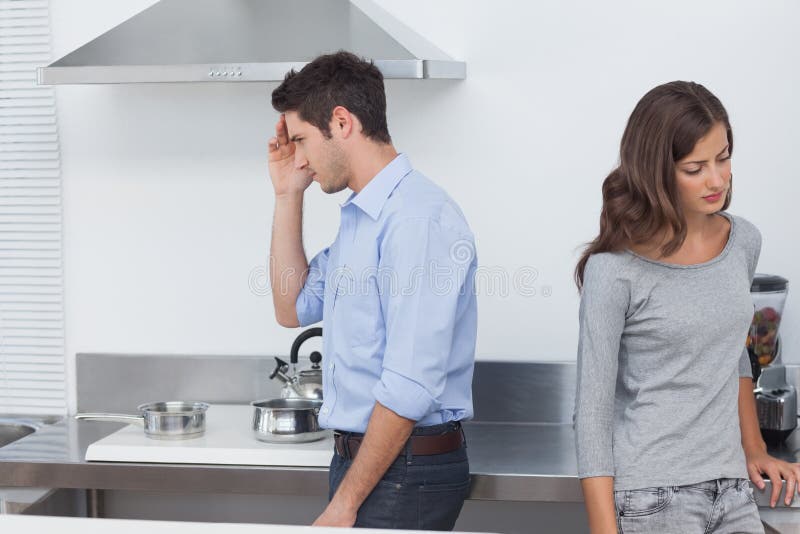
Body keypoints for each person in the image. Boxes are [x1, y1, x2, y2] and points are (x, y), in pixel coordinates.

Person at [573, 81, 800, 534]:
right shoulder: (613, 269)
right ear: (655, 171)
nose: (717, 180)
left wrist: (754, 448)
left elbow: (732, 351)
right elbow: (592, 413)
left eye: (723, 158)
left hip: (732, 489)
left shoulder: (743, 241)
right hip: (652, 497)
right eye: (695, 168)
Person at [266, 51, 477, 530]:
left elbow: (409, 385)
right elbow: (292, 306)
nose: (299, 158)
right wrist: (287, 195)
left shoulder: (416, 219)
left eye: (301, 140)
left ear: (342, 123)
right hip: (372, 464)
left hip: (403, 470)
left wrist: (345, 503)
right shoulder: (364, 217)